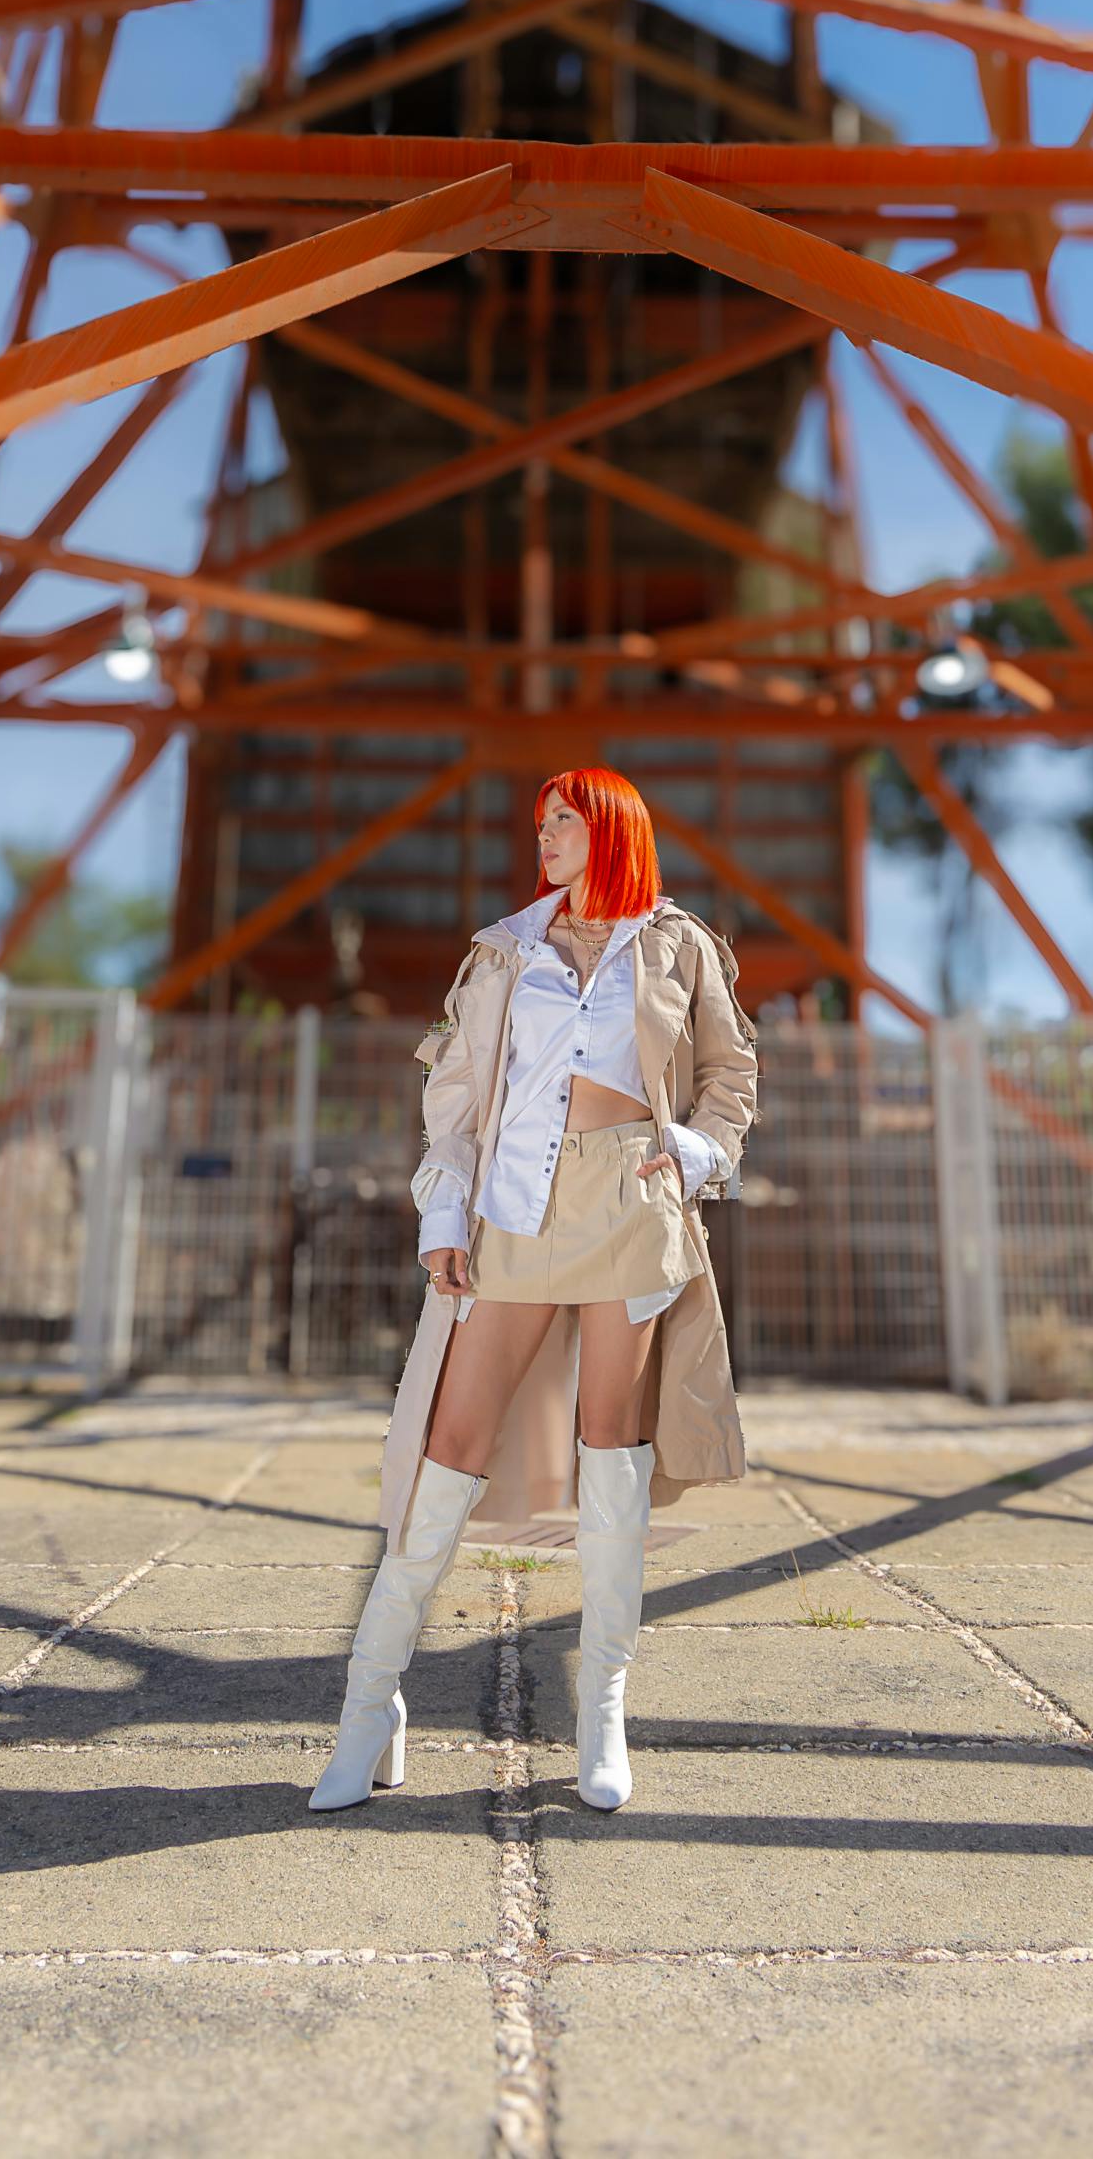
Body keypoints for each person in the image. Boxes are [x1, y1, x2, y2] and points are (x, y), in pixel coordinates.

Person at [310, 765, 758, 1816]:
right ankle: (367, 1707)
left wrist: (694, 1153)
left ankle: (601, 1710)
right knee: (442, 1454)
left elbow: (729, 1073)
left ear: (610, 830)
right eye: (540, 822)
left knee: (613, 1459)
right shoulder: (504, 948)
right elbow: (454, 1095)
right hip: (511, 1210)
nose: (544, 837)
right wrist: (440, 1217)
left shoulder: (677, 945)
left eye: (564, 820)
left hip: (631, 1204)